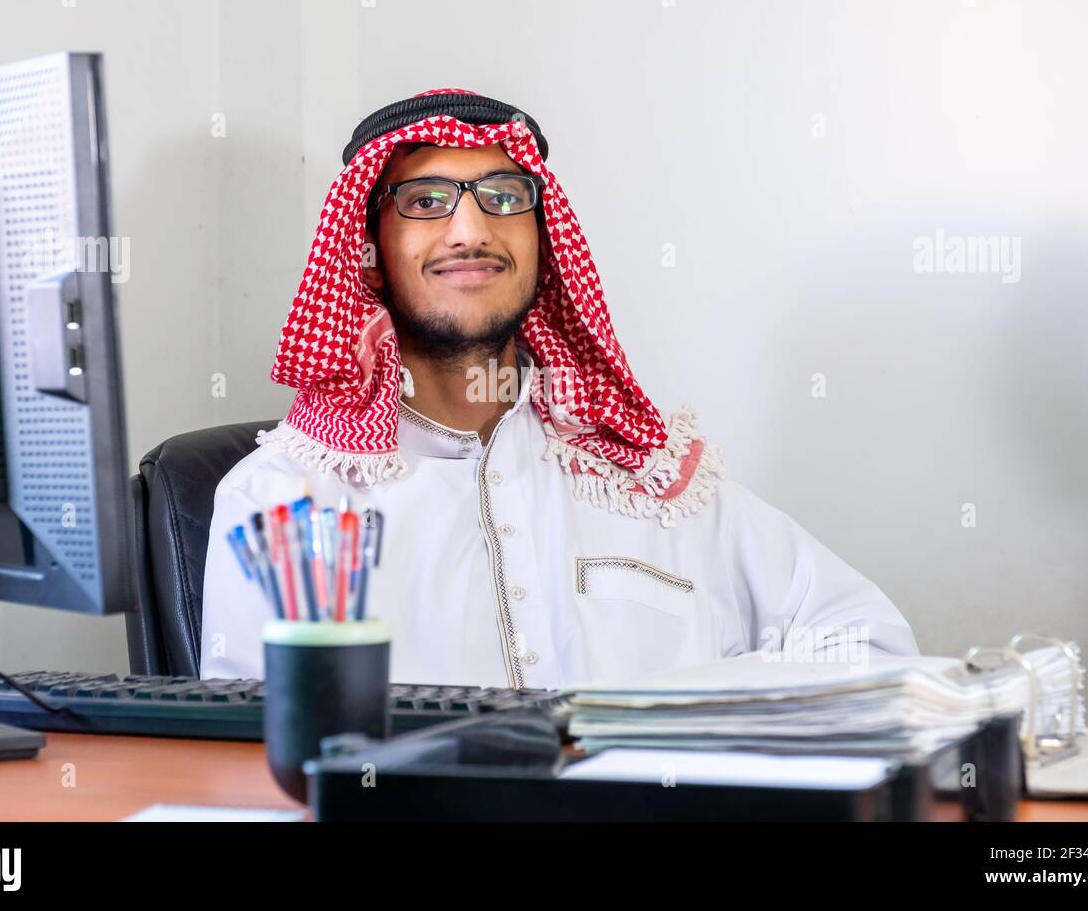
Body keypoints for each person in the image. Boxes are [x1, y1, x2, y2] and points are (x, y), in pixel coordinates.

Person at [199, 89, 918, 686]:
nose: (470, 230)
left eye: (504, 196)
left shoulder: (648, 478)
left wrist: (685, 722)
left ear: (545, 245)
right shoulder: (282, 503)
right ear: (367, 252)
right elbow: (251, 756)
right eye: (425, 201)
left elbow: (871, 647)